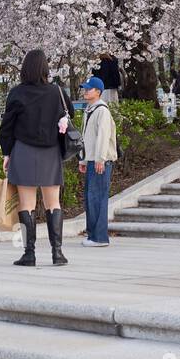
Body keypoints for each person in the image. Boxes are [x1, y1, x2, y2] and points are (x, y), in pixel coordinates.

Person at [0, 49, 70, 266]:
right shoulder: (56, 92)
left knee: (26, 204)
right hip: (50, 152)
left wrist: (6, 152)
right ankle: (57, 253)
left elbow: (6, 128)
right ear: (45, 68)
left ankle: (29, 254)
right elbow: (69, 115)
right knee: (53, 203)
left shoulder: (17, 93)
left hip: (23, 151)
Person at [77, 76, 117, 248]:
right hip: (92, 159)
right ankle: (92, 234)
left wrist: (100, 158)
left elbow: (103, 136)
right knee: (90, 197)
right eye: (85, 88)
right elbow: (86, 137)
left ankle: (99, 237)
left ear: (98, 92)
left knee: (98, 198)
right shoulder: (90, 109)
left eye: (89, 89)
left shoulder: (102, 111)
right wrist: (83, 159)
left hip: (101, 160)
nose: (86, 91)